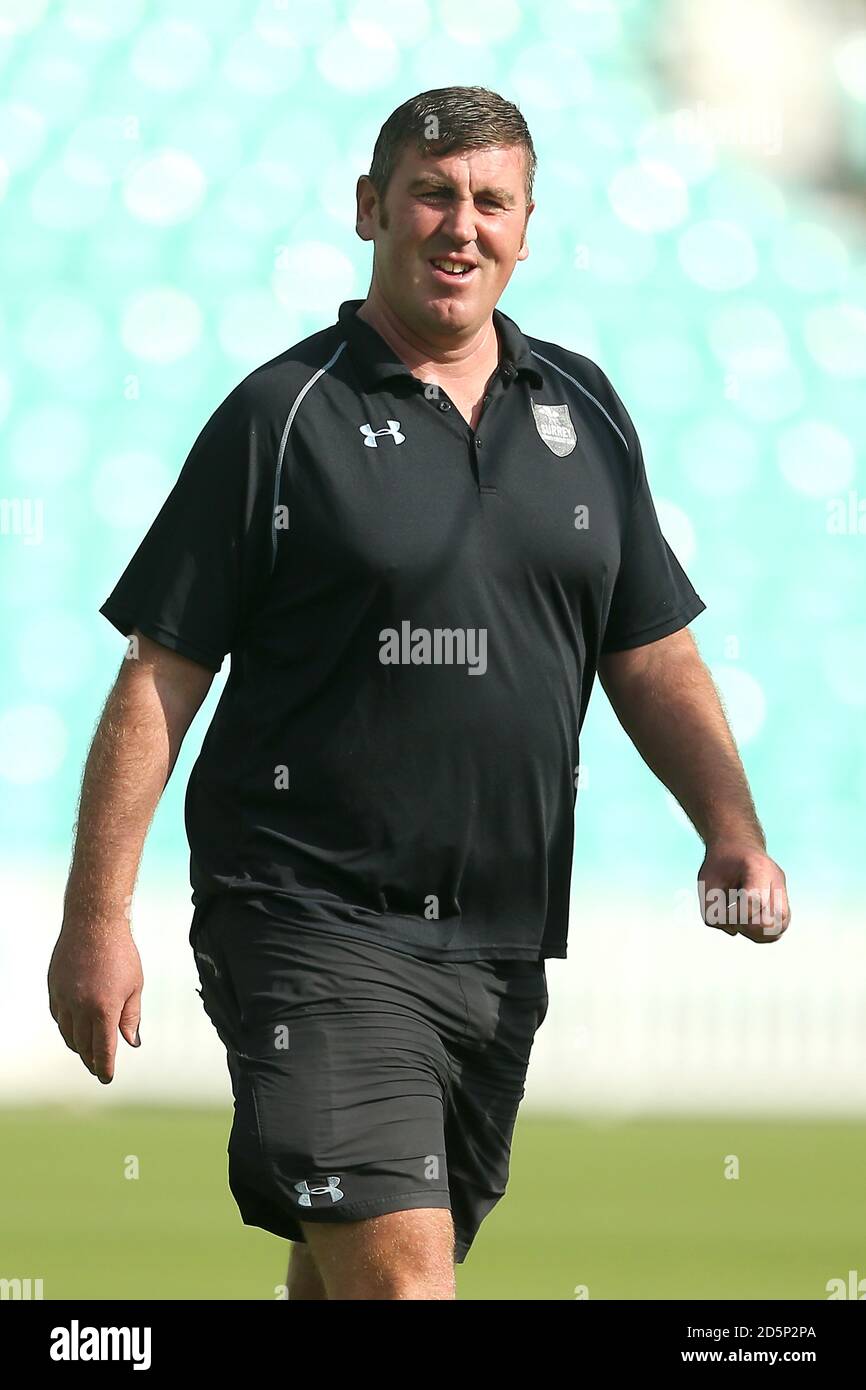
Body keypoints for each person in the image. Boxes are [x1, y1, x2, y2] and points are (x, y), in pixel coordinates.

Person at [48, 86, 791, 1301]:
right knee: (404, 1284)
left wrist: (731, 832)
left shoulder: (584, 408)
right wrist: (97, 913)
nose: (460, 226)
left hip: (498, 943)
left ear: (525, 227)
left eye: (489, 201)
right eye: (432, 194)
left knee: (343, 1279)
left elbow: (649, 650)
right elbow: (158, 676)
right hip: (306, 918)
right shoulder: (278, 417)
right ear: (369, 209)